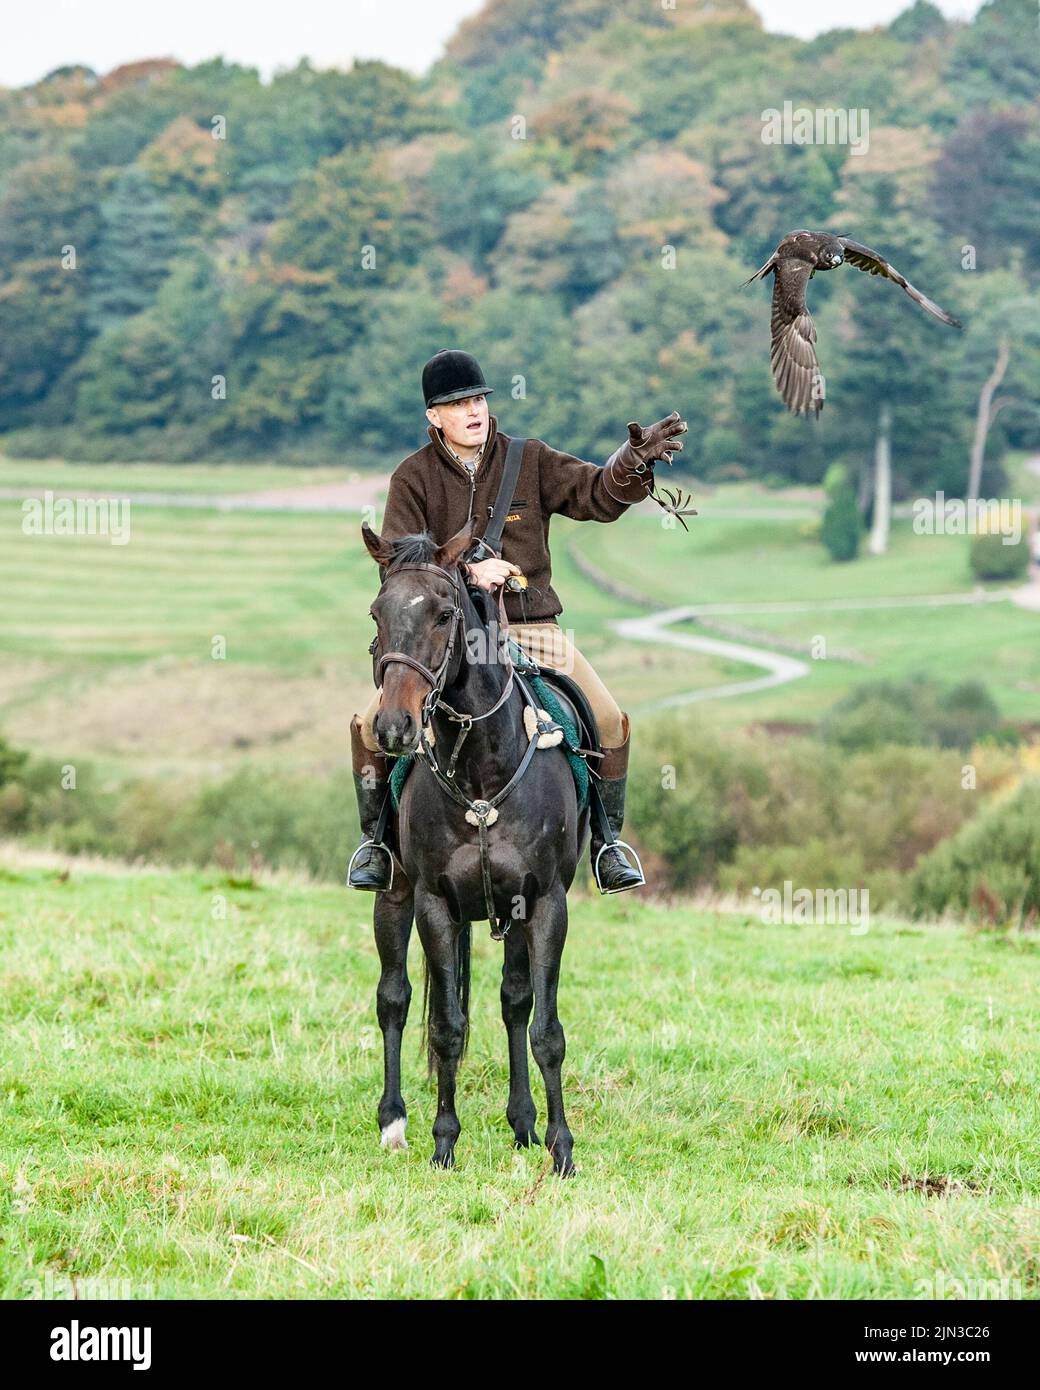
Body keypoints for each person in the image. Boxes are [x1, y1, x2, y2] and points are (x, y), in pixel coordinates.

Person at [349, 348, 686, 894]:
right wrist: (472, 573)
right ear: (434, 417)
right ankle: (378, 845)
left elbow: (598, 496)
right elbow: (402, 572)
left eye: (478, 399)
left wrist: (632, 463)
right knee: (369, 726)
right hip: (449, 640)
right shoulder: (410, 478)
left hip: (531, 629)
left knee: (608, 719)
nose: (473, 411)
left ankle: (607, 843)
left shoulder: (529, 459)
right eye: (458, 405)